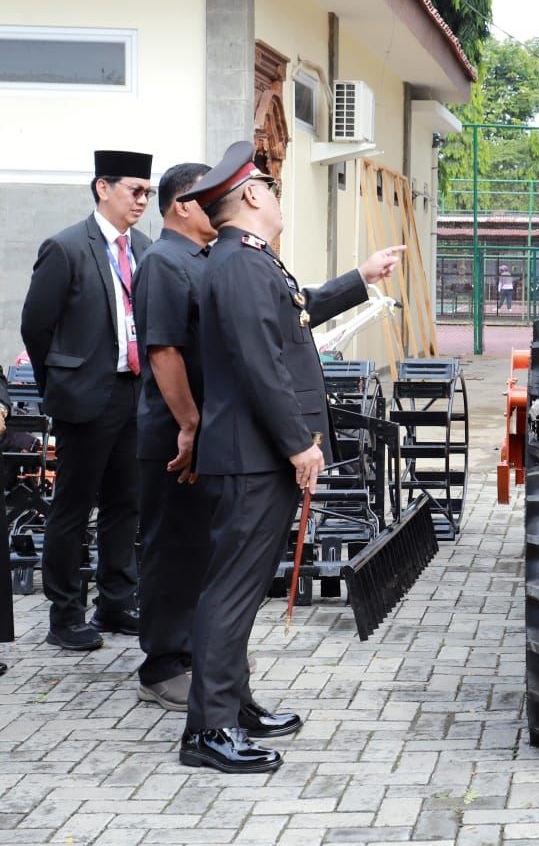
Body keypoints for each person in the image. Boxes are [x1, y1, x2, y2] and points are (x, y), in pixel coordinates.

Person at [174, 141, 403, 774]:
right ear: (251, 195)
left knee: (242, 591)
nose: (277, 197)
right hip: (253, 455)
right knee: (232, 591)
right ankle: (209, 731)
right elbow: (259, 365)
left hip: (255, 454)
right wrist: (300, 442)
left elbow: (296, 311)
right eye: (271, 187)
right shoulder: (241, 265)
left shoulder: (248, 262)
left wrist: (361, 278)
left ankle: (231, 704)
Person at [20, 150, 154, 651]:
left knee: (127, 503)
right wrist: (57, 382)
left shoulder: (144, 246)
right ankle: (65, 612)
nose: (142, 201)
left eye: (148, 193)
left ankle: (117, 602)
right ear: (103, 187)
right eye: (134, 190)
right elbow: (35, 324)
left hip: (135, 391)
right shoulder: (67, 247)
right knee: (73, 508)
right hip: (83, 396)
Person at [132, 162, 216, 711]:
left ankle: (191, 652)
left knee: (196, 545)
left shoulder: (201, 259)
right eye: (211, 197)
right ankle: (162, 663)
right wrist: (188, 423)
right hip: (173, 432)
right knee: (169, 547)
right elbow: (163, 353)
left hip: (199, 428)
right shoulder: (165, 262)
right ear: (182, 204)